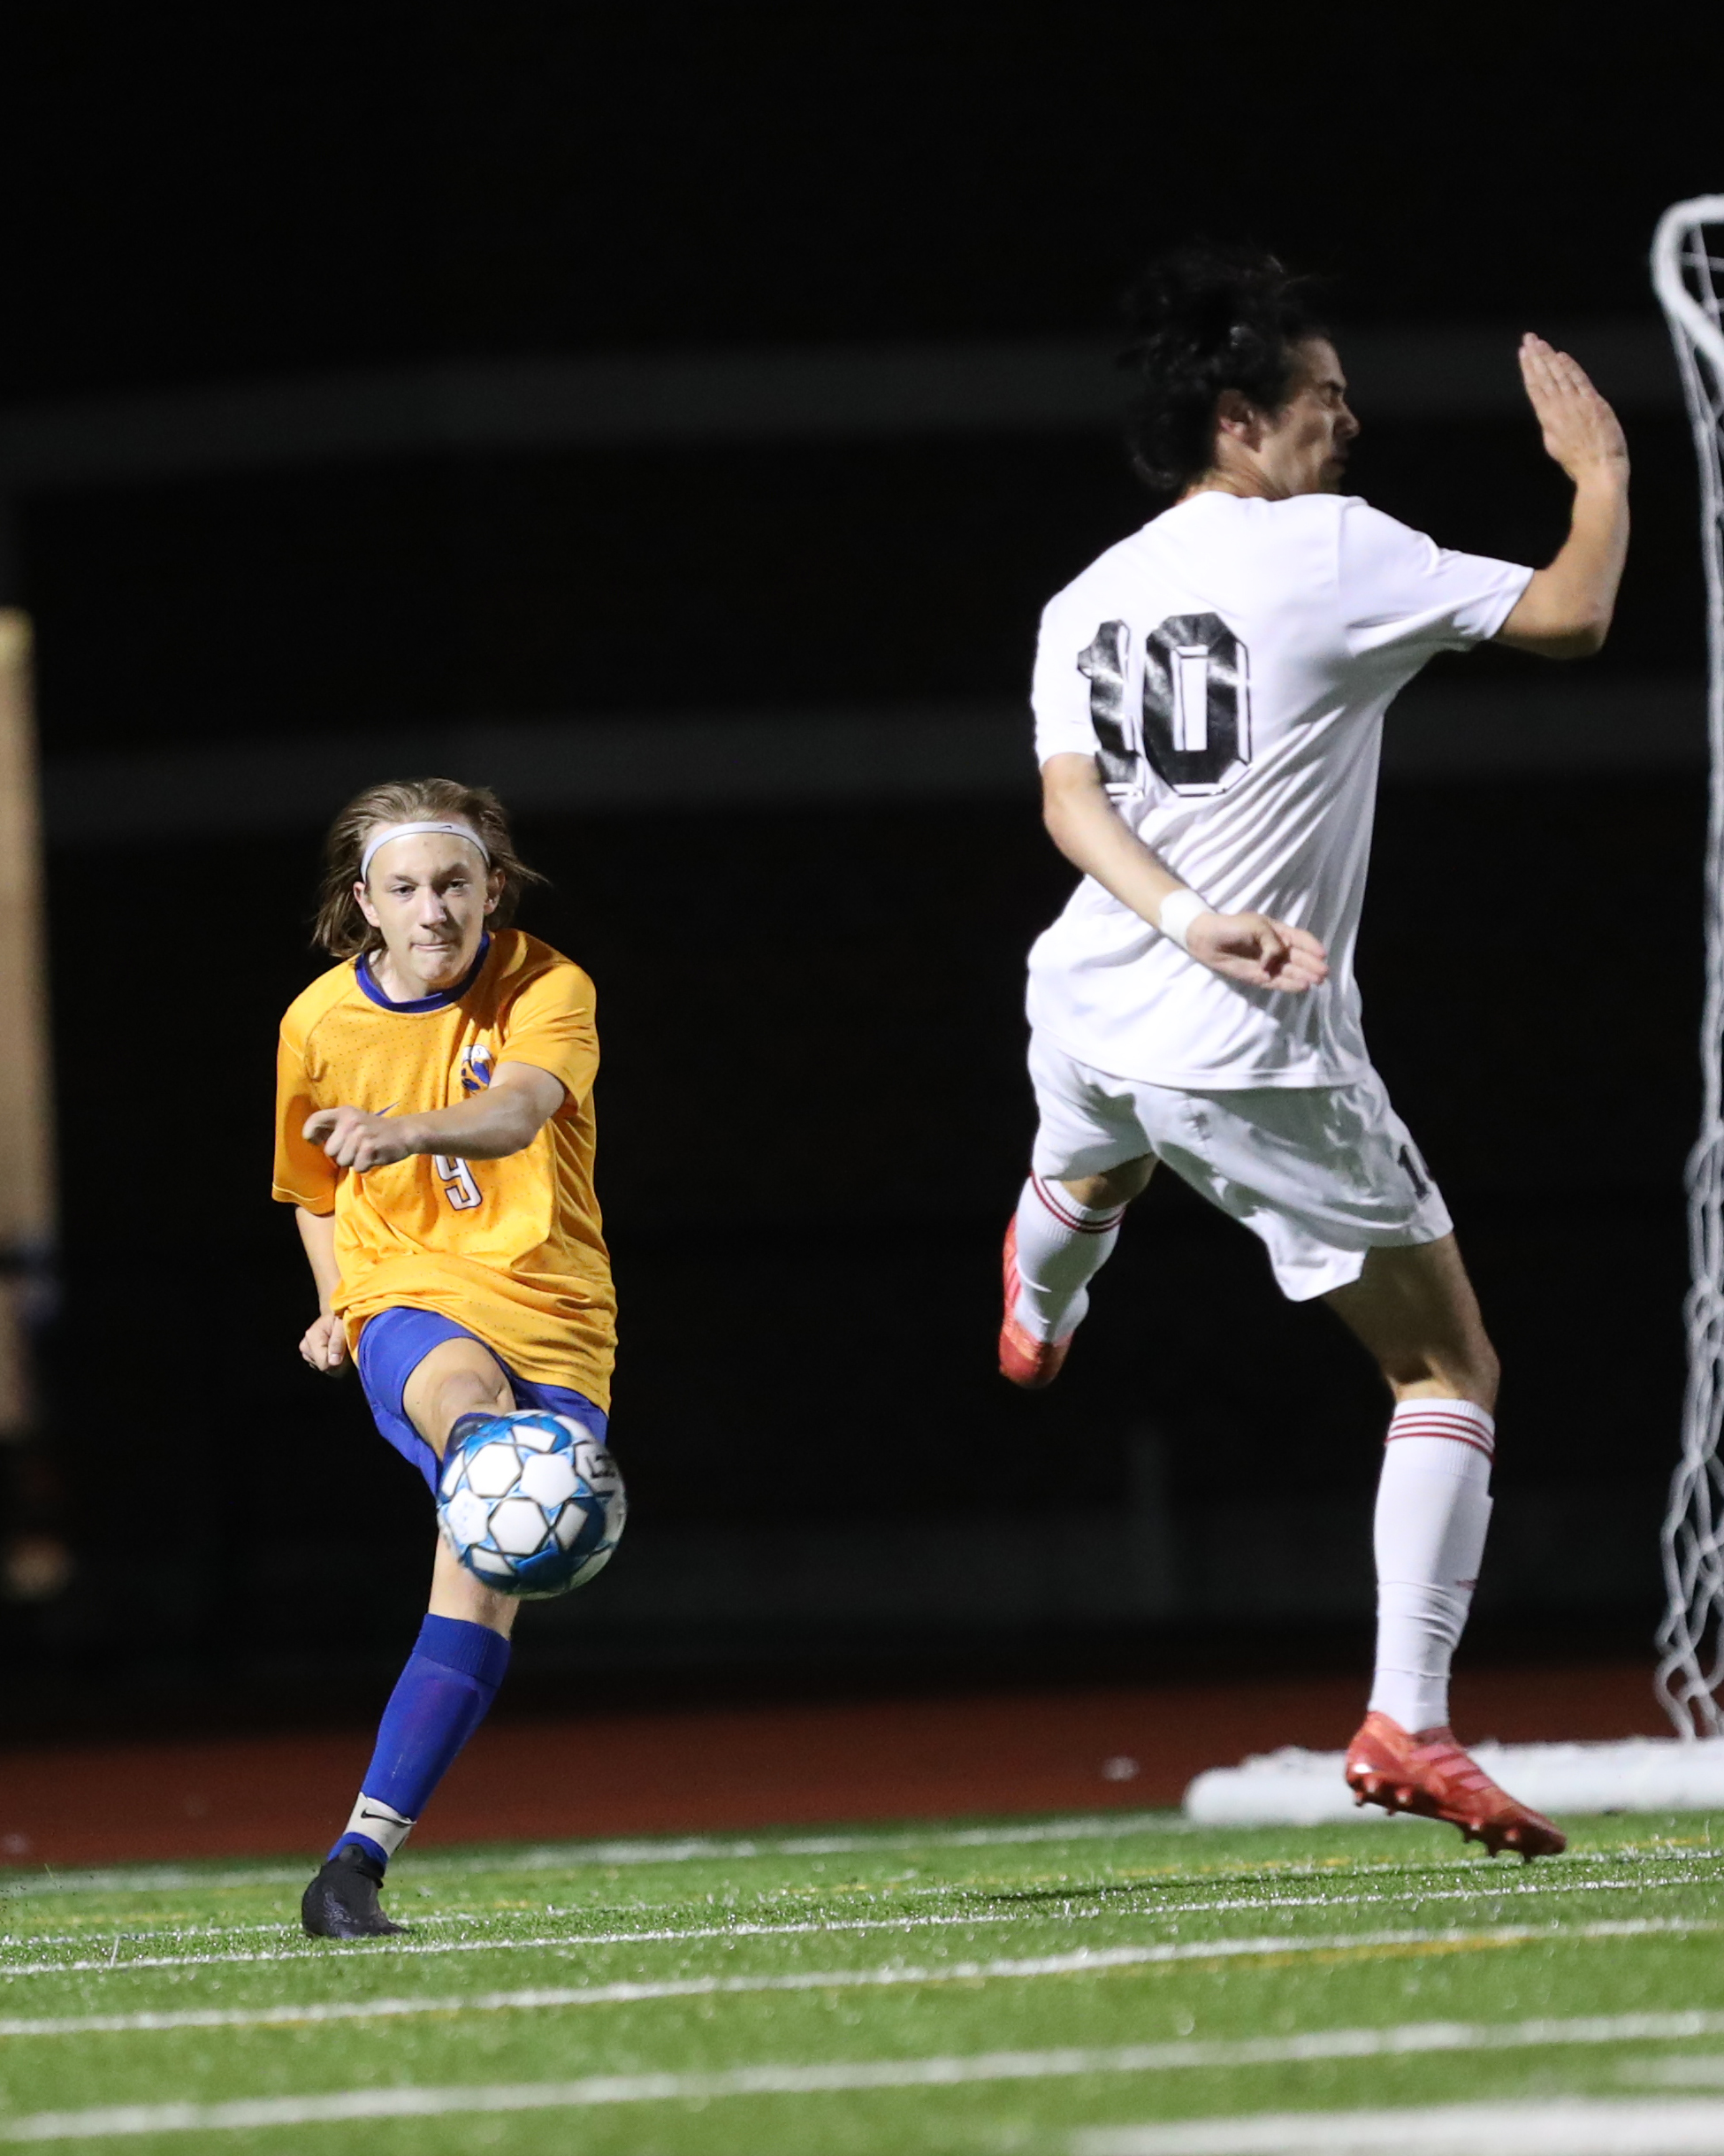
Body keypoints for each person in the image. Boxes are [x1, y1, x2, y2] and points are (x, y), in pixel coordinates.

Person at [1001, 246, 1629, 1859]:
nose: (1348, 423)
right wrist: (1599, 475)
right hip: (1250, 1051)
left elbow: (1069, 802)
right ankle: (1405, 1718)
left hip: (1086, 999)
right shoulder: (1335, 549)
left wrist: (1178, 913)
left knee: (1095, 1154)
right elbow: (1570, 615)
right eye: (1324, 398)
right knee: (1446, 1367)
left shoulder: (1085, 592)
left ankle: (1040, 1290)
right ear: (1238, 417)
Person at [272, 776, 616, 1936]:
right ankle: (481, 1444)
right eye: (407, 888)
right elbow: (312, 1188)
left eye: (455, 884)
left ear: (492, 889)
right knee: (476, 1415)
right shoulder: (318, 1022)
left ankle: (352, 1865)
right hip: (407, 1294)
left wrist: (404, 1130)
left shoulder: (548, 985)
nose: (433, 909)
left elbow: (516, 1113)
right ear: (364, 902)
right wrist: (336, 1301)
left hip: (556, 1312)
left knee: (480, 1593)